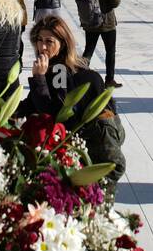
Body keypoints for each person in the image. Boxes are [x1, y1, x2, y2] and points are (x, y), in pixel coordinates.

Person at [22, 14, 126, 195]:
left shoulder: (60, 71)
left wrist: (38, 79)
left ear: (62, 43)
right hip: (88, 155)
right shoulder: (56, 66)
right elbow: (32, 103)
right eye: (39, 40)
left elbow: (56, 115)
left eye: (49, 41)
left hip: (91, 158)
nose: (42, 47)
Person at [77, 0, 122, 89]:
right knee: (110, 51)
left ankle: (80, 76)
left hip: (89, 20)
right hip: (107, 22)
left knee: (88, 50)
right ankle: (109, 79)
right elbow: (116, 1)